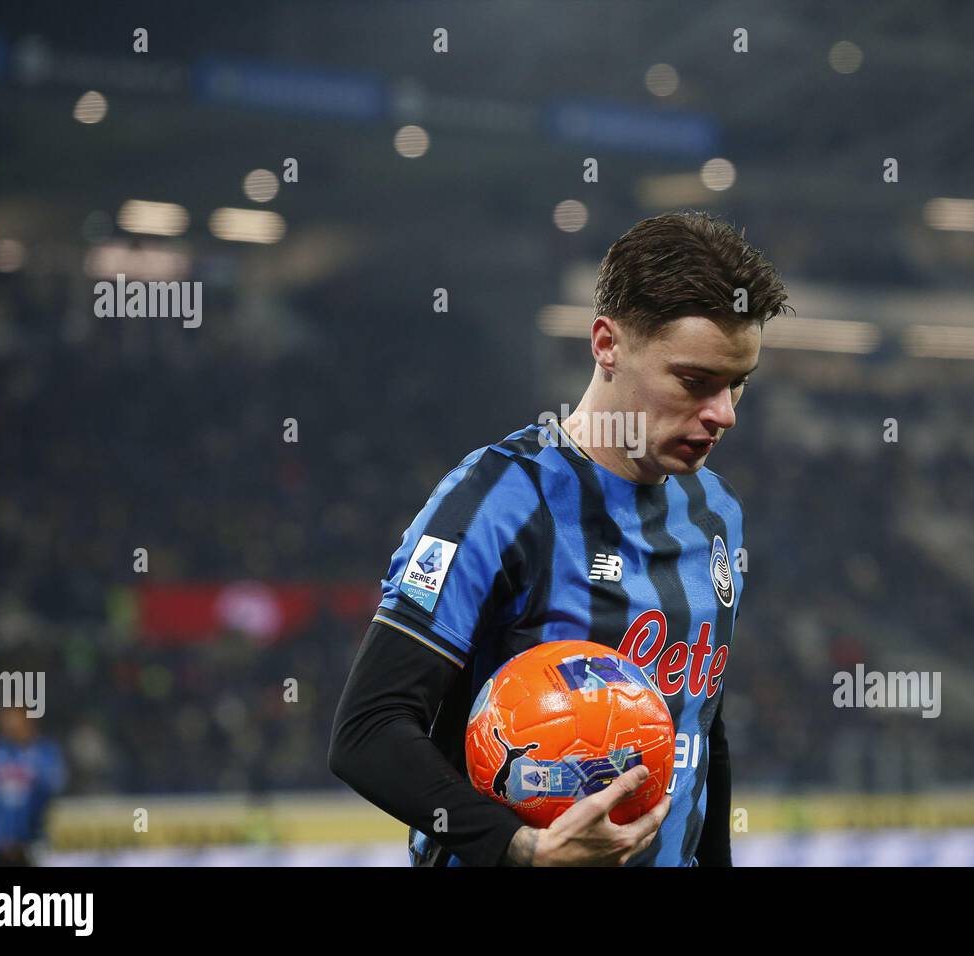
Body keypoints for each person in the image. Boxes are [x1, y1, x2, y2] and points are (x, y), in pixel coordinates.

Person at [330, 210, 790, 866]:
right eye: (695, 382)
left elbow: (700, 728)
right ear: (607, 343)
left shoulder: (717, 512)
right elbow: (368, 732)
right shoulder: (498, 501)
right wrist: (523, 848)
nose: (723, 414)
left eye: (737, 385)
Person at [0, 707, 67, 866]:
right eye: (4, 717)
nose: (8, 722)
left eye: (13, 716)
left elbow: (53, 790)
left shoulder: (46, 751)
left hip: (34, 844)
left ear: (28, 718)